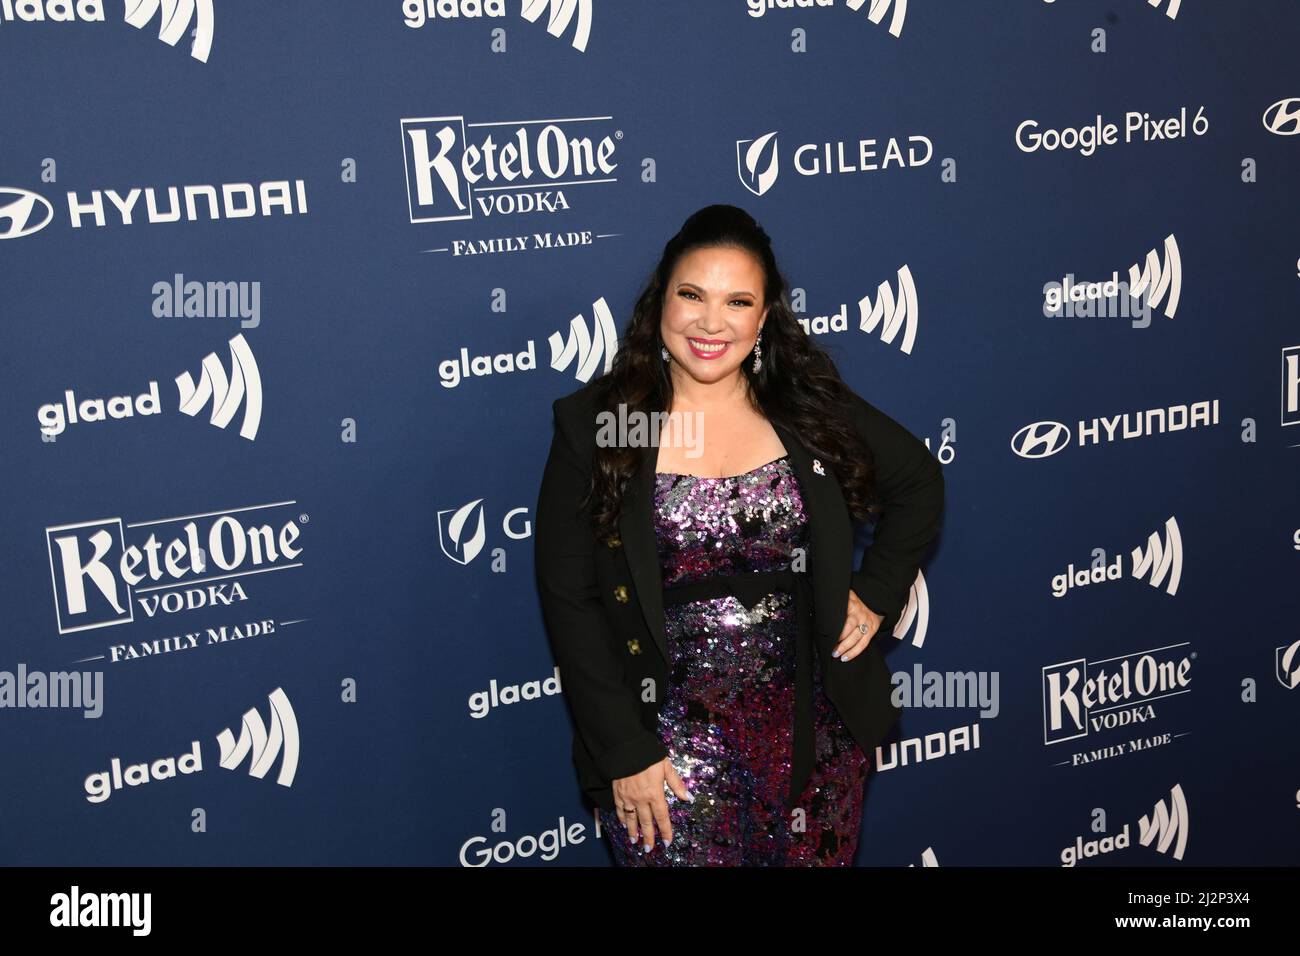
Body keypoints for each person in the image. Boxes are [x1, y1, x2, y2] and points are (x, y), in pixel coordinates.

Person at [534, 204, 944, 866]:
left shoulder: (802, 407)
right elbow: (568, 598)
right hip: (666, 762)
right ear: (659, 299)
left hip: (817, 745)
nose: (710, 322)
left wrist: (877, 592)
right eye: (692, 294)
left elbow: (919, 481)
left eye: (737, 301)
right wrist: (625, 751)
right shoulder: (605, 426)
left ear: (763, 318)